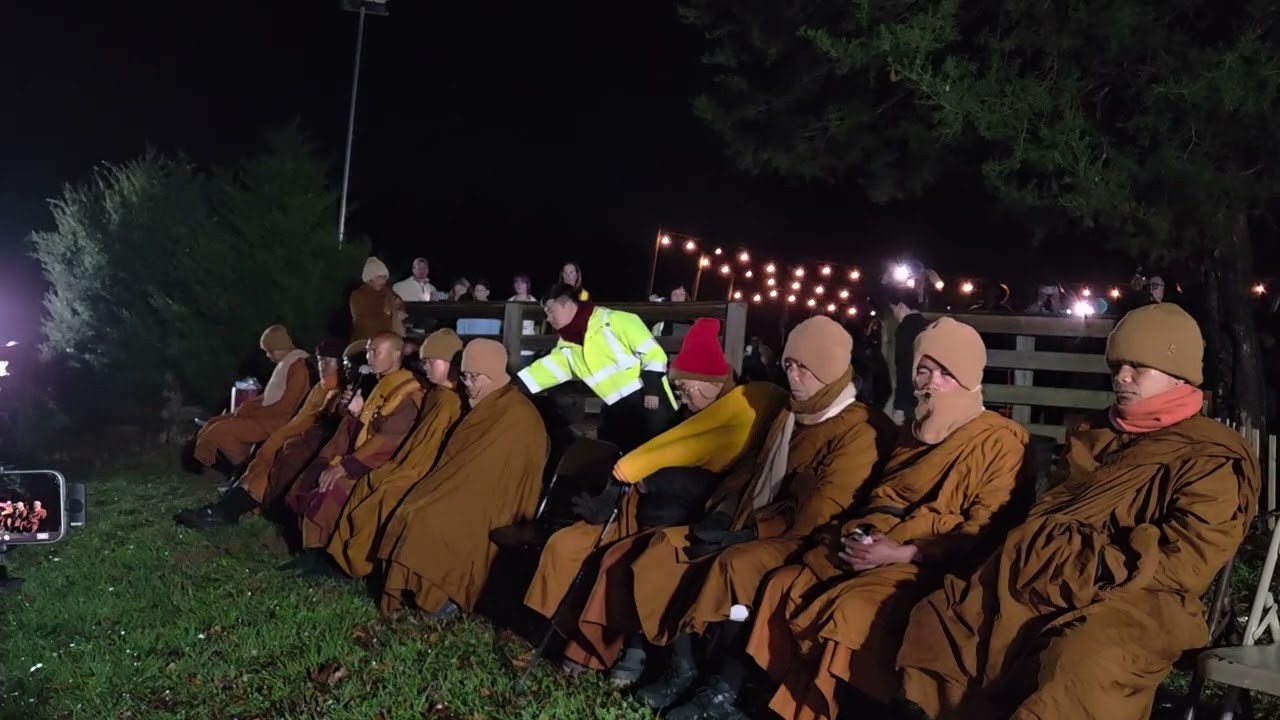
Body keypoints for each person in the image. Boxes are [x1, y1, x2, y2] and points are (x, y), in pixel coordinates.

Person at [897, 303, 1261, 720]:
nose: (1121, 377)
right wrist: (1055, 557)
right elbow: (1050, 512)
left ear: (1176, 373)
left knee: (1077, 662)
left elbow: (1189, 563)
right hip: (1050, 573)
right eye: (1117, 366)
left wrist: (1091, 561)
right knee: (948, 619)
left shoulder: (1211, 455)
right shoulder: (1096, 433)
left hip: (1144, 598)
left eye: (1137, 367)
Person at [693, 318, 1030, 720]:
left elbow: (985, 529)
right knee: (788, 582)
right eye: (925, 370)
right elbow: (883, 496)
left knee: (851, 608)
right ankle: (757, 693)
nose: (932, 382)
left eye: (946, 373)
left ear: (970, 378)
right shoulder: (912, 432)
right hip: (877, 544)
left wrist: (905, 553)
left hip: (931, 562)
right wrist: (863, 534)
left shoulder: (1001, 441)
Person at [568, 317, 896, 710]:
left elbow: (824, 508)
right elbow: (752, 470)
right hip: (747, 520)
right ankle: (681, 667)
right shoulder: (790, 413)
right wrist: (722, 514)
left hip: (799, 537)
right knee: (664, 549)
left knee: (734, 564)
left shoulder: (858, 429)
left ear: (828, 368)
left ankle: (725, 687)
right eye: (788, 365)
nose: (793, 375)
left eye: (803, 367)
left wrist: (747, 533)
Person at [523, 318, 789, 683]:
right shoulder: (684, 415)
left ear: (714, 383)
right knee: (567, 545)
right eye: (677, 389)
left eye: (687, 388)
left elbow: (715, 479)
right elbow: (650, 455)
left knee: (620, 559)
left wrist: (657, 481)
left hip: (687, 519)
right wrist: (615, 494)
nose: (681, 396)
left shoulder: (744, 415)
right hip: (638, 511)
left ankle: (610, 650)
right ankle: (564, 633)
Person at [377, 339, 549, 621]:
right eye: (465, 376)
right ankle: (421, 592)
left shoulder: (515, 413)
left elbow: (500, 474)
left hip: (501, 502)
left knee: (431, 519)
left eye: (474, 377)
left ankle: (445, 598)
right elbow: (461, 459)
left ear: (494, 373)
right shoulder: (487, 403)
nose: (467, 383)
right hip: (471, 486)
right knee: (412, 509)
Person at [327, 329, 466, 578]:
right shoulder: (435, 394)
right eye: (423, 361)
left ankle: (360, 567)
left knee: (383, 494)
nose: (425, 367)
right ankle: (339, 560)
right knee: (367, 486)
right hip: (405, 461)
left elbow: (427, 446)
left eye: (430, 361)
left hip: (420, 469)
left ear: (449, 363)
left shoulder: (451, 402)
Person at [283, 333, 424, 574]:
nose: (370, 357)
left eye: (376, 352)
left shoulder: (408, 392)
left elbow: (388, 439)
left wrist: (345, 466)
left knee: (333, 489)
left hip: (378, 465)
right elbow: (352, 424)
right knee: (311, 475)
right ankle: (312, 552)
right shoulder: (372, 382)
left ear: (397, 354)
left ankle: (334, 563)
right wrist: (348, 410)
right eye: (368, 351)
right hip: (352, 453)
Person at [175, 338, 348, 528]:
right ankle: (228, 501)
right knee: (264, 454)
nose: (323, 366)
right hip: (296, 434)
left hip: (319, 447)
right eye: (321, 360)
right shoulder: (319, 388)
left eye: (329, 362)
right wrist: (277, 438)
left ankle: (228, 509)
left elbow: (290, 410)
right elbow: (300, 417)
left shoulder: (332, 385)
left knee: (280, 462)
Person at [518, 283, 678, 453]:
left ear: (566, 304)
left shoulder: (615, 320)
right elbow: (543, 371)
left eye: (550, 310)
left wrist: (651, 390)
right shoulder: (568, 347)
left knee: (662, 451)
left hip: (647, 400)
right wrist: (512, 387)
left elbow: (653, 353)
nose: (548, 318)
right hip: (616, 407)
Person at [191, 325, 312, 478]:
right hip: (265, 415)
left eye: (270, 351)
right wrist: (247, 407)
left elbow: (286, 406)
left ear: (282, 347)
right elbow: (267, 396)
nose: (268, 355)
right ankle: (240, 470)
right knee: (213, 423)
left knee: (218, 431)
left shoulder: (298, 369)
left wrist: (252, 411)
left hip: (275, 421)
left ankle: (243, 471)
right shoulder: (286, 364)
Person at [886, 288, 929, 426]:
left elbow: (904, 366)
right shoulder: (927, 326)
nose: (895, 315)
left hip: (909, 397)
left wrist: (899, 406)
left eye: (894, 309)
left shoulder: (905, 327)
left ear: (901, 306)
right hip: (925, 393)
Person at [350, 257, 399, 342]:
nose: (384, 281)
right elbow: (363, 321)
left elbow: (399, 305)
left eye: (385, 277)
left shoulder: (387, 291)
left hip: (388, 340)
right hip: (364, 341)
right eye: (381, 277)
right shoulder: (358, 296)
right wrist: (386, 313)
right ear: (371, 278)